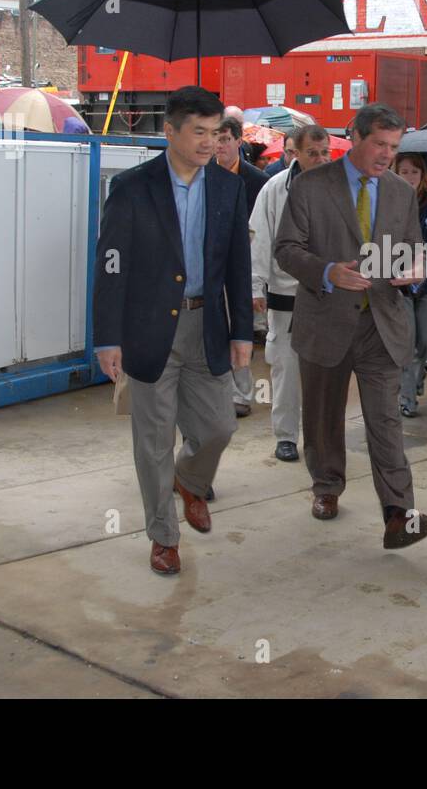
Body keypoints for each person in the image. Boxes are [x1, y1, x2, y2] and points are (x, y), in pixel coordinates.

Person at [92, 86, 252, 575]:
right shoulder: (134, 187)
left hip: (208, 326)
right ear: (170, 132)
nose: (209, 143)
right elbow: (111, 265)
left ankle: (190, 480)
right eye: (198, 133)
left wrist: (242, 330)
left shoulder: (228, 187)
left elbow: (239, 266)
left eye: (216, 133)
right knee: (153, 439)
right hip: (148, 330)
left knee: (219, 428)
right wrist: (107, 335)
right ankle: (163, 535)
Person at [274, 103, 427, 550]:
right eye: (380, 144)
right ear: (356, 137)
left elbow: (412, 247)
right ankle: (326, 486)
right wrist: (327, 272)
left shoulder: (401, 193)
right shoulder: (310, 186)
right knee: (323, 415)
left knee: (385, 419)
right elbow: (286, 249)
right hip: (325, 320)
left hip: (381, 322)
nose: (387, 155)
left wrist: (415, 266)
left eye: (394, 147)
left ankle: (398, 512)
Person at [249, 125, 333, 462]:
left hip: (327, 293)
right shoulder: (274, 189)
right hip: (286, 294)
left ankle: (322, 434)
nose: (320, 158)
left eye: (325, 152)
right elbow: (258, 238)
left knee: (326, 370)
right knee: (285, 367)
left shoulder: (338, 188)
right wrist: (256, 284)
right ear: (294, 153)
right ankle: (286, 435)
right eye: (312, 152)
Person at [216, 117, 269, 417]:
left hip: (244, 268)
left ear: (238, 141)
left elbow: (262, 233)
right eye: (216, 139)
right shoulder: (202, 176)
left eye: (225, 139)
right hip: (211, 267)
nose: (220, 146)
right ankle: (217, 392)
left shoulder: (256, 182)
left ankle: (241, 394)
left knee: (242, 329)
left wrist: (258, 281)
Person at [392, 152, 427, 418]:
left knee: (425, 343)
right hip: (399, 284)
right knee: (407, 342)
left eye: (415, 172)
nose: (410, 177)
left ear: (423, 175)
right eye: (404, 171)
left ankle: (417, 375)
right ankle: (407, 398)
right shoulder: (389, 200)